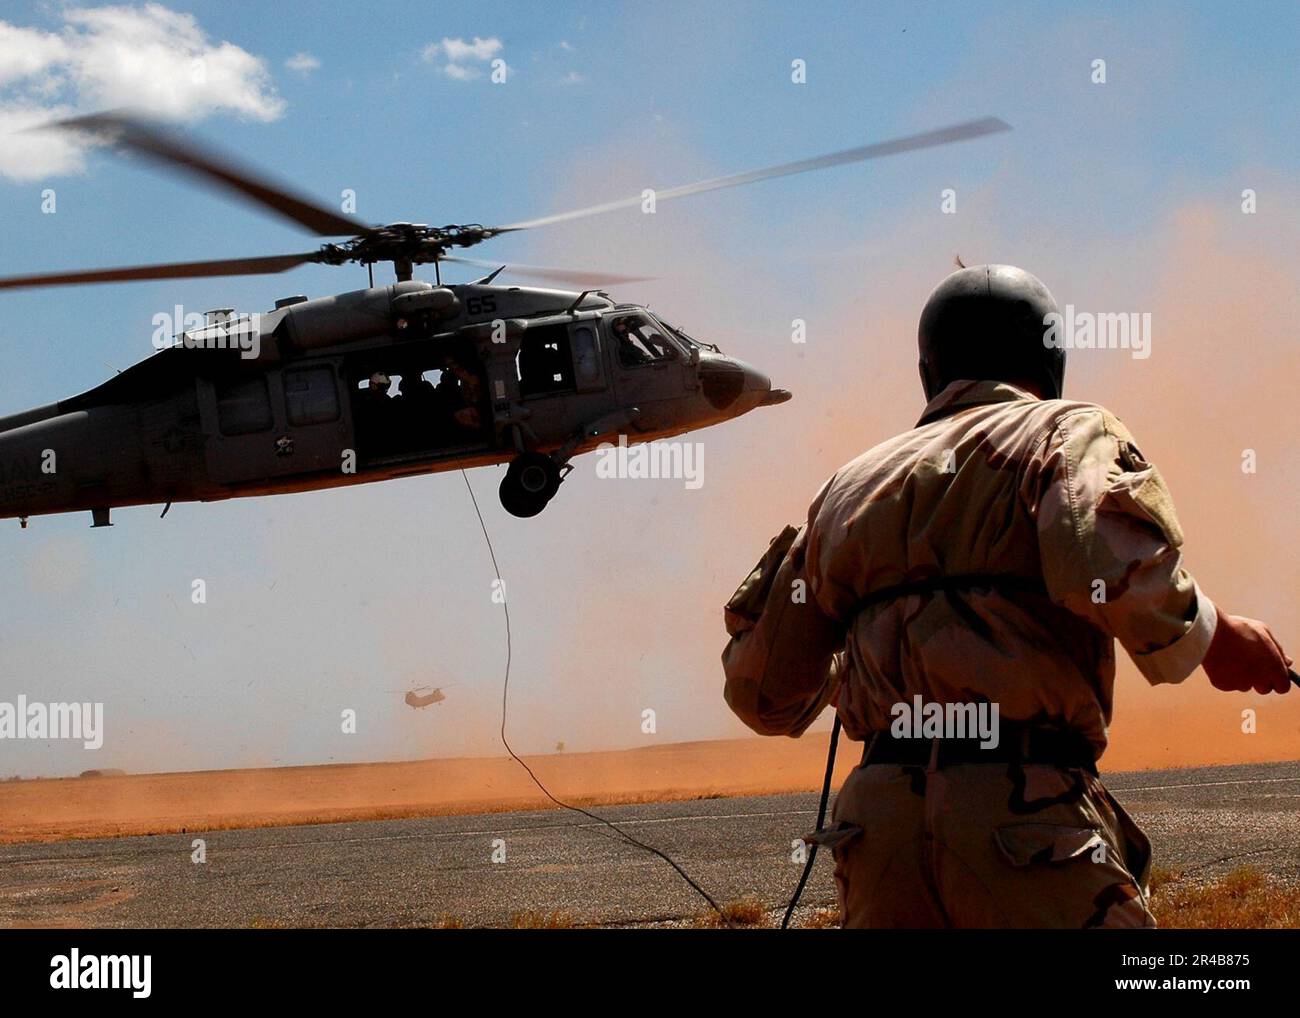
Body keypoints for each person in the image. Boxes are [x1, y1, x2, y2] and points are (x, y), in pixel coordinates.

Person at [721, 264, 1293, 929]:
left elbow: (762, 694)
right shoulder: (1064, 430)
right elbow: (1097, 558)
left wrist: (878, 660)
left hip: (878, 838)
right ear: (1047, 360)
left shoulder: (848, 485)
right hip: (1021, 826)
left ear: (929, 372)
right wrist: (1218, 639)